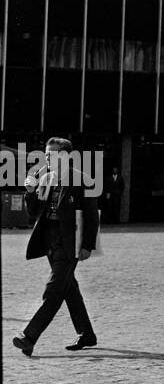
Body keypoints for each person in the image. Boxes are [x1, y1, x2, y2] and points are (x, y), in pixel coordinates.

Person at [12, 137, 101, 356]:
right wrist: (30, 192)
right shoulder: (45, 179)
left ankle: (29, 336)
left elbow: (92, 217)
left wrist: (88, 245)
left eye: (51, 154)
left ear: (65, 156)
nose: (47, 159)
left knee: (53, 290)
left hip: (71, 242)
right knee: (68, 288)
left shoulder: (82, 180)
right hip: (49, 241)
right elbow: (34, 213)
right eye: (46, 155)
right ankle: (87, 334)